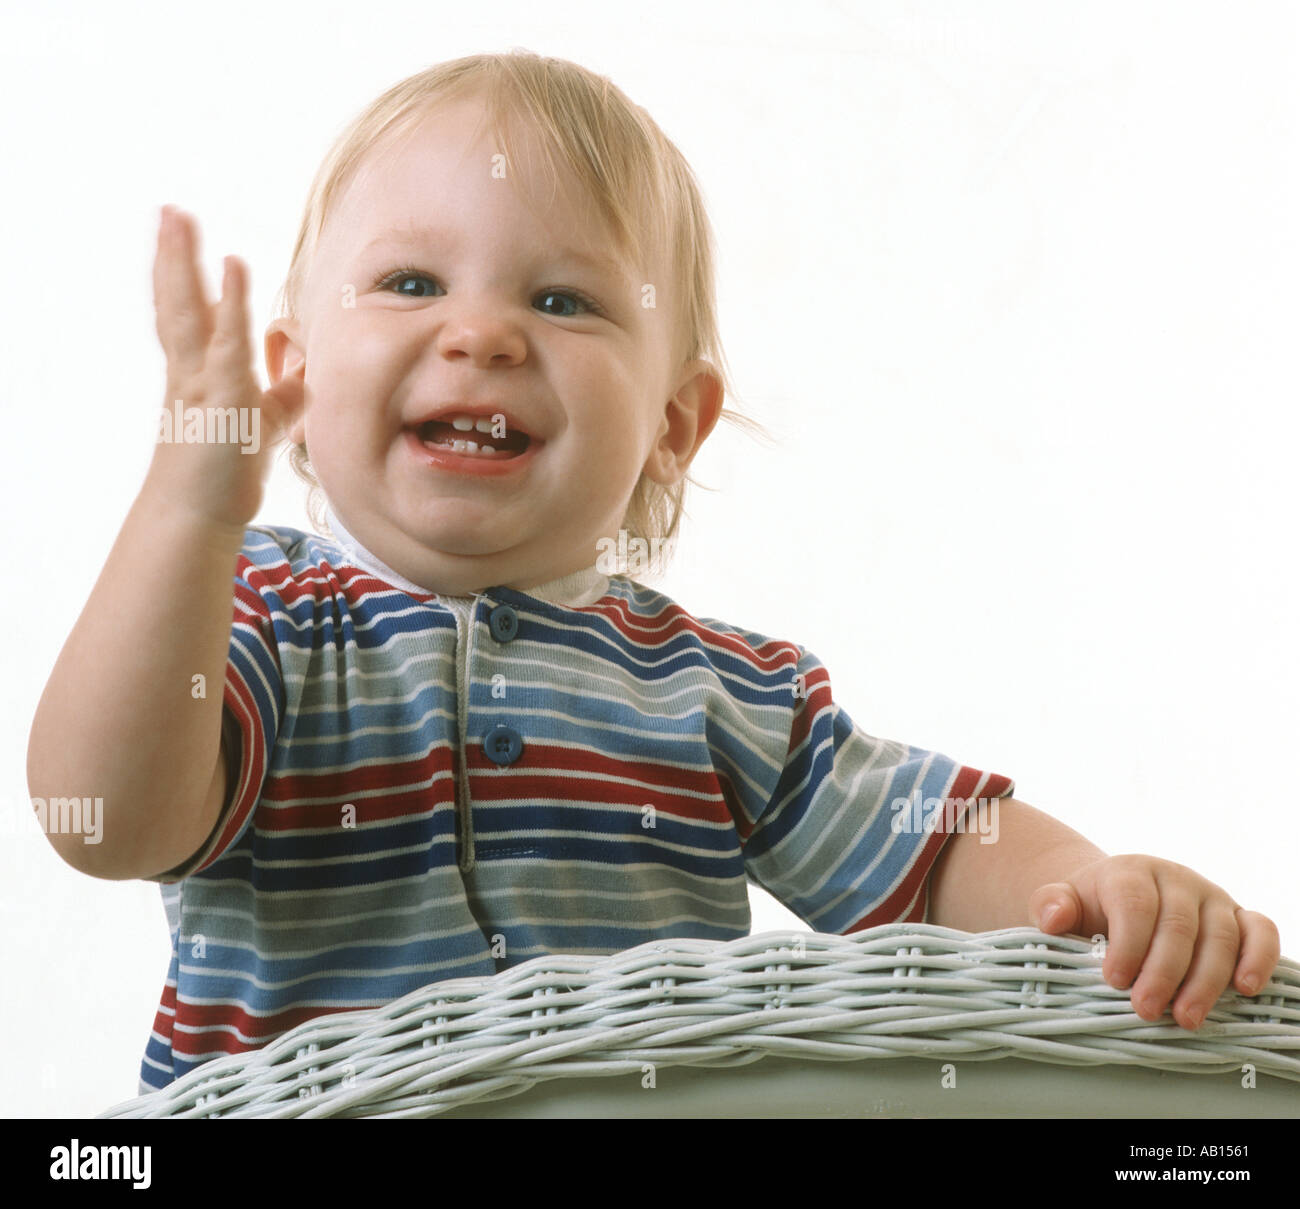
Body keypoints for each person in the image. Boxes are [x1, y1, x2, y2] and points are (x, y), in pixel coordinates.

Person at [27, 51, 1281, 1095]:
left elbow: (934, 852)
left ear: (673, 425)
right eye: (410, 283)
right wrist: (189, 513)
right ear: (293, 379)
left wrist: (1098, 888)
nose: (482, 333)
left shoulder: (721, 690)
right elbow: (108, 820)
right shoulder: (257, 615)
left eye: (566, 301)